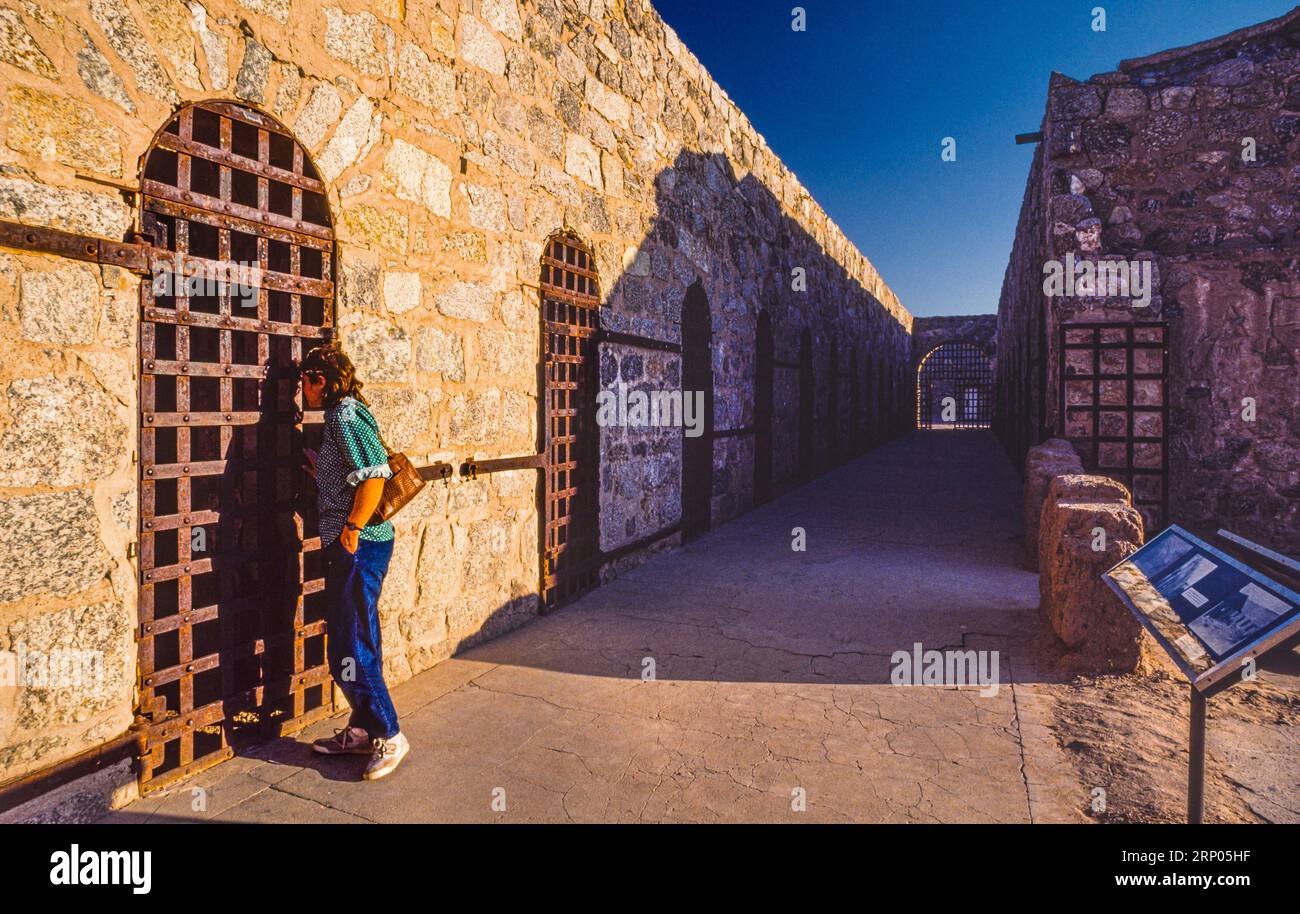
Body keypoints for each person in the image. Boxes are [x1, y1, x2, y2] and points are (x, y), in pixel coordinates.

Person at [298, 342, 410, 780]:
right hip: (356, 545)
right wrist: (319, 472)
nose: (301, 390)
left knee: (352, 643)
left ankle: (391, 733)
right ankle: (363, 729)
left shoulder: (344, 414)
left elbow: (376, 477)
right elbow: (352, 474)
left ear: (320, 380)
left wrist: (351, 530)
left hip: (359, 545)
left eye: (304, 381)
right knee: (354, 639)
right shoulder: (342, 415)